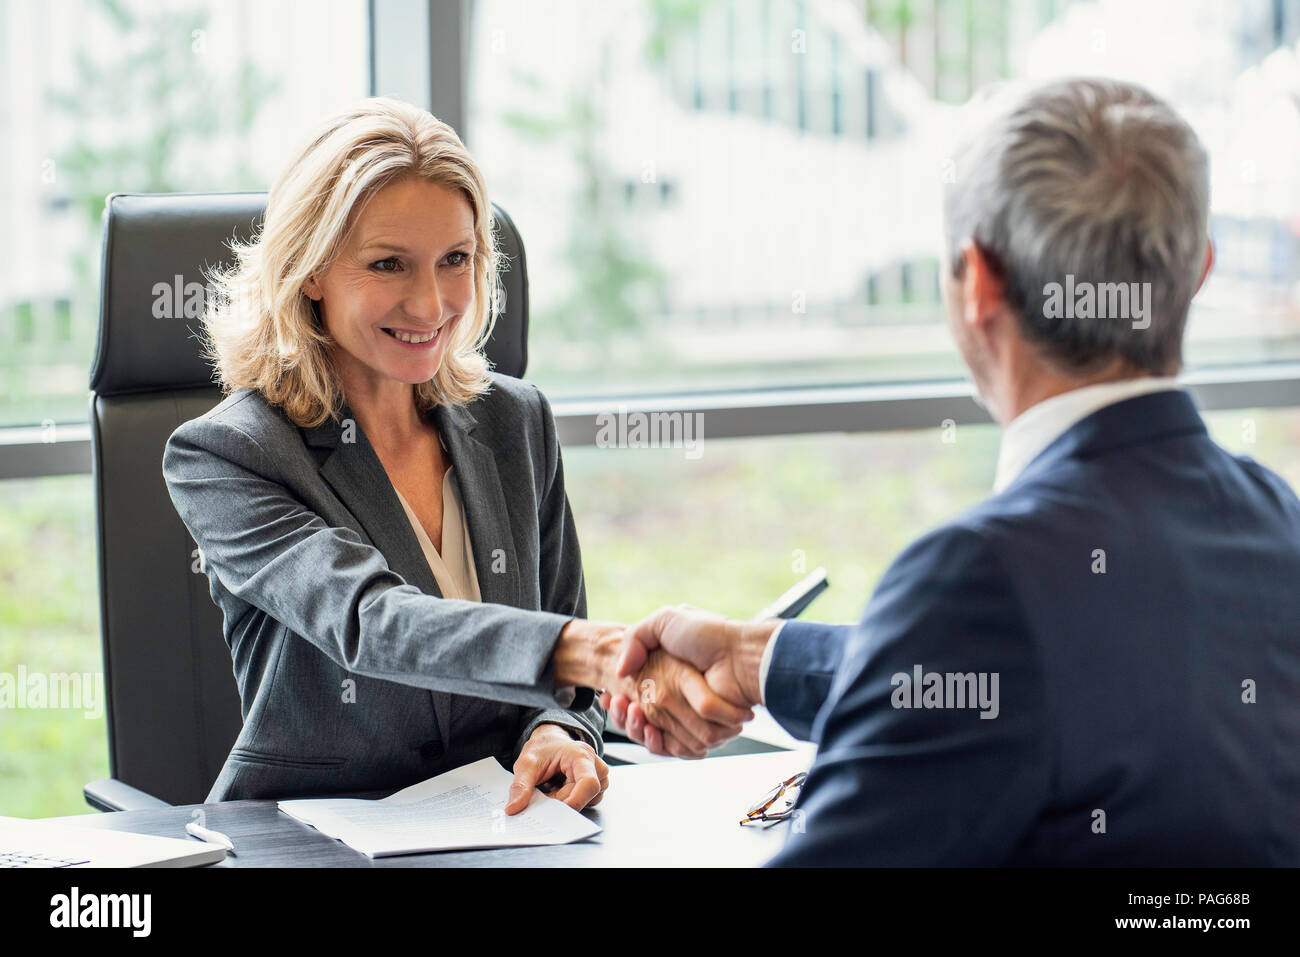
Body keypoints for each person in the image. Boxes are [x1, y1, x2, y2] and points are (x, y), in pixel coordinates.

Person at [607, 77, 1300, 865]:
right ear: (1199, 272)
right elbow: (1066, 674)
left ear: (980, 282)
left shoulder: (983, 577)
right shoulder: (1275, 522)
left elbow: (1001, 656)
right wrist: (760, 657)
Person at [162, 98, 750, 810]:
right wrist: (594, 653)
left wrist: (562, 730)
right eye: (389, 264)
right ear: (309, 271)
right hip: (308, 840)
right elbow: (371, 621)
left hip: (509, 833)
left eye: (455, 260)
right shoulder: (230, 454)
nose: (432, 303)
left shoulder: (515, 420)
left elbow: (564, 658)